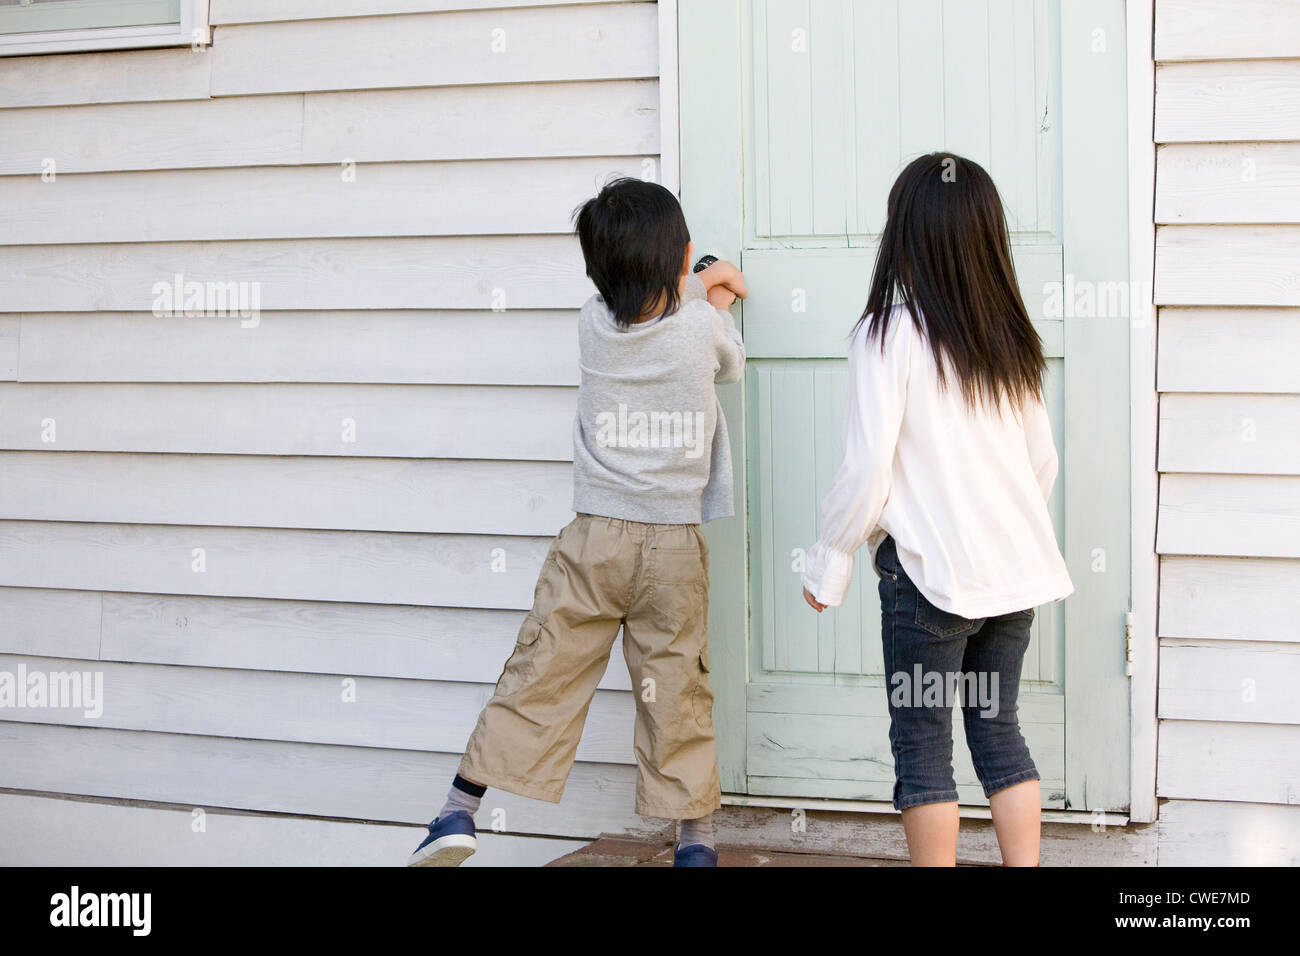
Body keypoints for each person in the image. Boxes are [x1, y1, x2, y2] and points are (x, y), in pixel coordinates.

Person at [409, 176, 746, 868]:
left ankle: (457, 811)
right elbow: (727, 360)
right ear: (682, 260)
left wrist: (690, 278)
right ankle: (696, 843)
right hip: (674, 547)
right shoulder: (703, 326)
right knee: (677, 687)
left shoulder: (592, 325)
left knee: (543, 668)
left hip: (595, 540)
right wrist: (717, 283)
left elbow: (649, 306)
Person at [801, 152, 1074, 866]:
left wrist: (829, 561)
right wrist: (1000, 530)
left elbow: (866, 468)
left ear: (907, 237)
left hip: (928, 581)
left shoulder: (885, 336)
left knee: (923, 747)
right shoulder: (1011, 340)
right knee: (999, 732)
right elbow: (1042, 460)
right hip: (1011, 577)